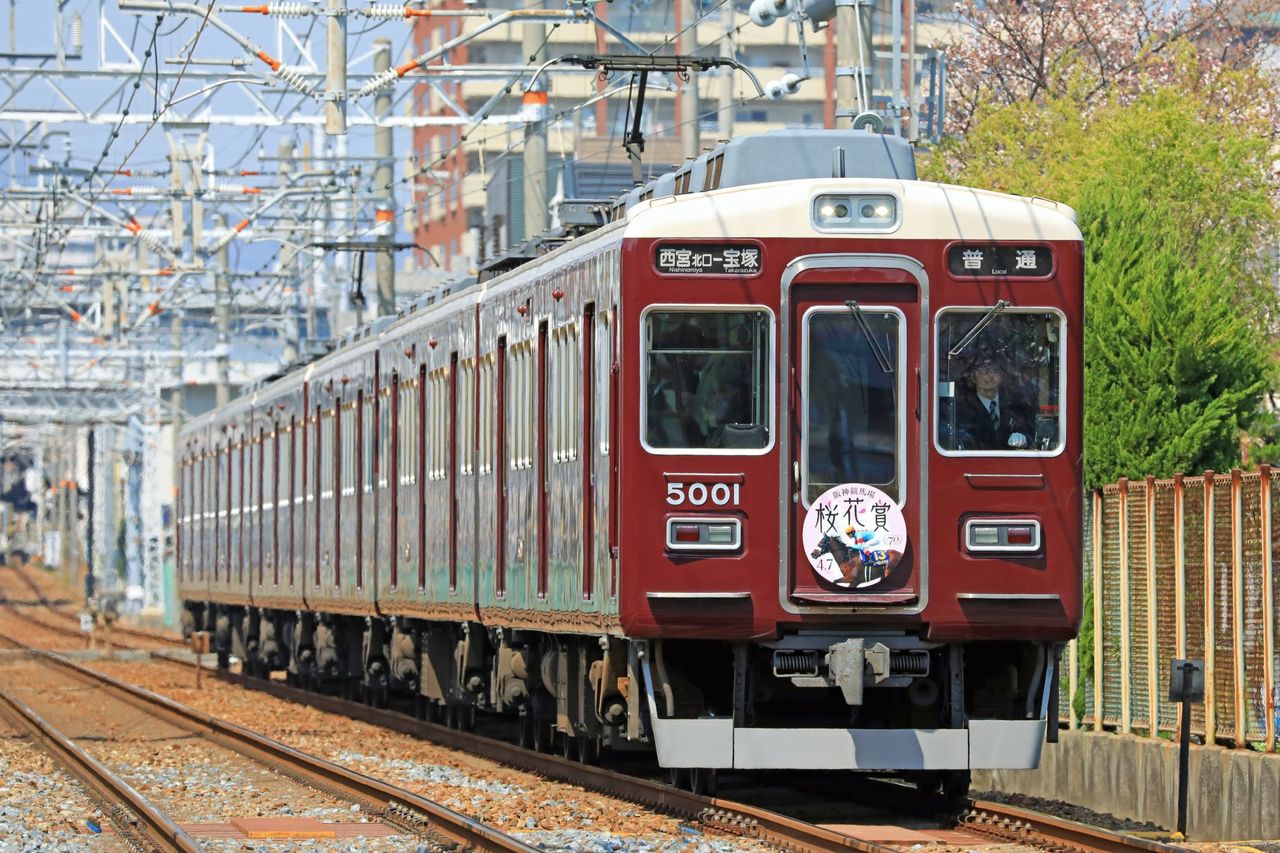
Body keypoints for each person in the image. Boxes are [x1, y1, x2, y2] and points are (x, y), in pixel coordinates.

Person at [954, 355, 1035, 450]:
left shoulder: (1015, 404)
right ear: (973, 376)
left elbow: (1029, 432)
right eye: (982, 371)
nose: (989, 376)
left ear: (1001, 375)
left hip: (1012, 462)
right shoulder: (963, 406)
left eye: (994, 371)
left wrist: (1024, 439)